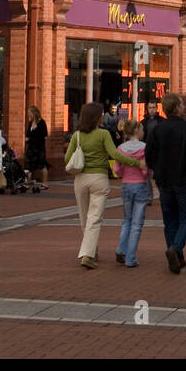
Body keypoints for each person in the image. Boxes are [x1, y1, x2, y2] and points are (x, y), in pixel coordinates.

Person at [65, 102, 142, 269]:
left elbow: (67, 159)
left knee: (85, 218)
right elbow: (114, 154)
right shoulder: (103, 134)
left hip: (80, 179)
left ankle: (91, 251)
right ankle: (88, 254)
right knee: (95, 218)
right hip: (99, 178)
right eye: (100, 115)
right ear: (96, 118)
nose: (102, 117)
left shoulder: (77, 135)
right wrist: (135, 163)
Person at [144, 93, 186, 273]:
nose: (184, 107)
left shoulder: (157, 129)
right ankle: (176, 248)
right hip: (184, 180)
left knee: (170, 219)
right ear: (177, 108)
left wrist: (157, 170)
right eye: (182, 104)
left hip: (164, 180)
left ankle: (177, 256)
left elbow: (149, 155)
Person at [114, 120, 152, 267]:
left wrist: (124, 174)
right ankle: (130, 258)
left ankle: (121, 248)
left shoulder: (121, 148)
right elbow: (146, 169)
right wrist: (144, 173)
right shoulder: (144, 148)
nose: (143, 131)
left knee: (127, 220)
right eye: (142, 129)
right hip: (140, 186)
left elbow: (116, 169)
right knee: (137, 223)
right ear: (137, 131)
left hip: (126, 186)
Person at [24, 105, 50, 189]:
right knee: (28, 165)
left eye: (29, 113)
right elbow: (28, 135)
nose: (28, 115)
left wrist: (33, 137)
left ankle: (45, 184)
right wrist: (27, 139)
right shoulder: (30, 123)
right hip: (31, 147)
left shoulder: (42, 122)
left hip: (39, 147)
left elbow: (45, 136)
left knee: (42, 165)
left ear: (34, 113)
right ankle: (27, 183)